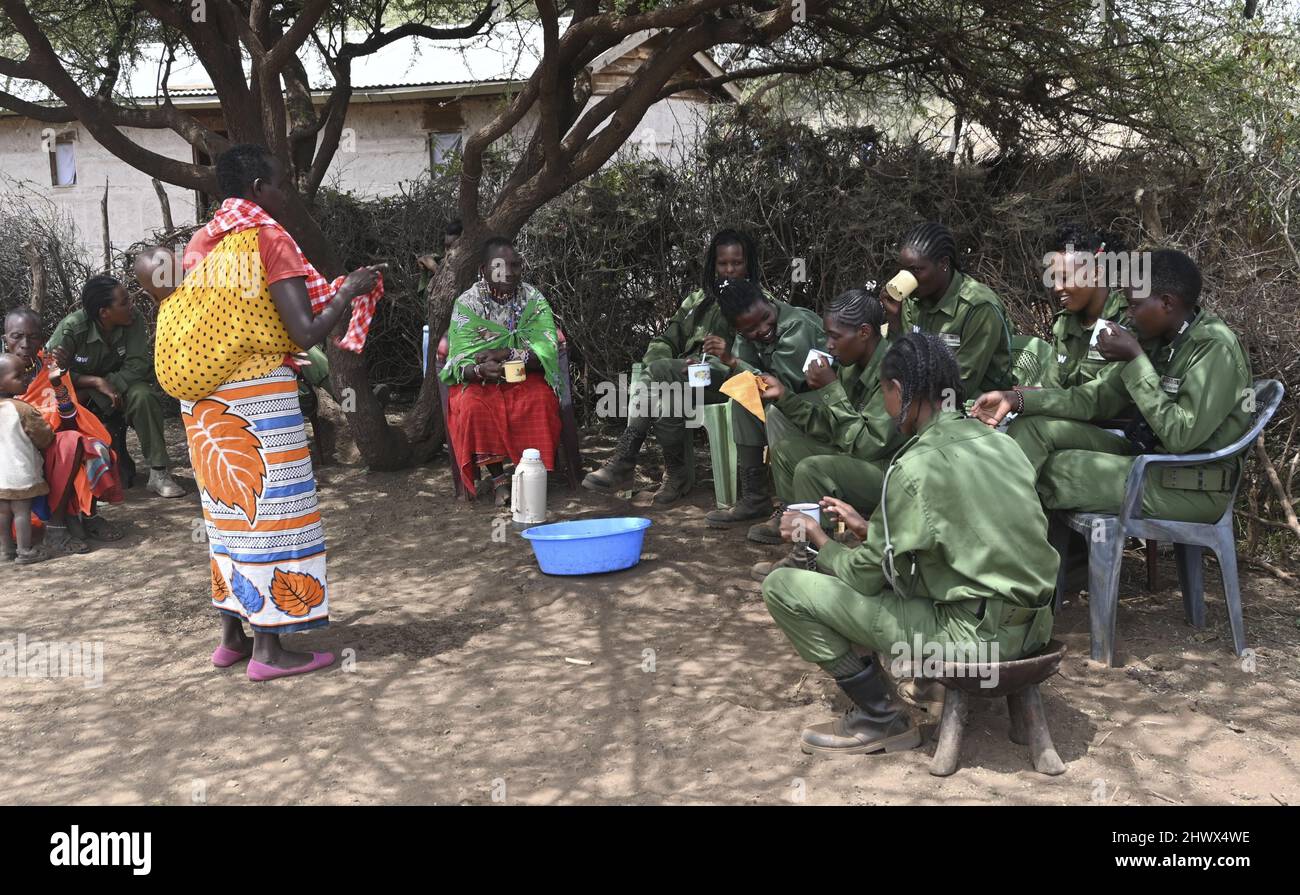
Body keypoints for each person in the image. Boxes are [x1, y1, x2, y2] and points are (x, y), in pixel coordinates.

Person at [761, 333, 1057, 757]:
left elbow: (863, 577)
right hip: (1035, 627)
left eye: (885, 394)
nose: (886, 406)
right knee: (900, 576)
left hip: (975, 638)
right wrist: (869, 529)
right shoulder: (1003, 444)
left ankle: (880, 716)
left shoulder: (913, 465)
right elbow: (967, 533)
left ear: (898, 391)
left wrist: (819, 537)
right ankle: (927, 684)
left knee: (782, 588)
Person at [156, 142, 385, 681]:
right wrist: (349, 289)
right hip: (257, 397)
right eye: (280, 183)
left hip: (205, 406)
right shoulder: (267, 238)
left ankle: (232, 638)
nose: (285, 192)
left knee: (230, 516)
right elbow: (305, 331)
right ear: (259, 190)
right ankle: (271, 651)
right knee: (273, 514)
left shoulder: (202, 243)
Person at [972, 249, 1251, 523]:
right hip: (1146, 458)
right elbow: (1094, 400)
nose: (1128, 315)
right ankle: (992, 532)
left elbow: (1181, 436)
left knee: (1056, 469)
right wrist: (1018, 399)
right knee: (1031, 428)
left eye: (1134, 305)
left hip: (1189, 485)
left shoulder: (1213, 347)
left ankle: (1003, 548)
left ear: (1166, 303)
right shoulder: (1158, 340)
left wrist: (1136, 359)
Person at [582, 228, 767, 504]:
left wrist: (720, 358)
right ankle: (677, 474)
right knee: (667, 396)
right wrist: (665, 363)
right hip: (688, 377)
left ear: (748, 263)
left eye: (737, 263)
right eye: (723, 263)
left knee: (660, 374)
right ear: (713, 265)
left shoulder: (759, 301)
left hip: (730, 379)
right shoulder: (698, 300)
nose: (729, 270)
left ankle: (625, 458)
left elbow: (755, 356)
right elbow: (666, 339)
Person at [748, 288, 905, 578]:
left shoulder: (892, 368)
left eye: (835, 336)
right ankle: (806, 547)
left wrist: (831, 388)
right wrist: (784, 397)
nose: (828, 345)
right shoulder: (850, 366)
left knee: (811, 469)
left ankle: (816, 557)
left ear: (864, 332)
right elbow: (830, 427)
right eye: (827, 336)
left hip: (891, 472)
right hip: (859, 459)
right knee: (785, 452)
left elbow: (869, 444)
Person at [439, 236, 563, 503]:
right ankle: (498, 480)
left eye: (515, 265)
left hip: (523, 375)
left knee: (540, 400)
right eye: (499, 266)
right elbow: (459, 359)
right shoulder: (468, 303)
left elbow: (546, 351)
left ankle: (528, 474)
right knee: (473, 406)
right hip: (480, 383)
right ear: (483, 270)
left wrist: (508, 352)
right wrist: (481, 371)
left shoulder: (532, 298)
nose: (508, 272)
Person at [701, 278, 825, 528]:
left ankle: (791, 507)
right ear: (739, 330)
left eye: (764, 318)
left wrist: (733, 361)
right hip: (795, 400)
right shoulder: (748, 334)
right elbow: (750, 382)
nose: (762, 329)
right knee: (743, 401)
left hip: (826, 401)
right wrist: (728, 360)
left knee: (777, 410)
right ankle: (755, 498)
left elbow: (780, 387)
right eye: (750, 329)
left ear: (769, 302)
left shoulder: (797, 325)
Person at [46, 275, 184, 498]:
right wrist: (95, 383)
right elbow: (50, 372)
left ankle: (159, 473)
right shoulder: (72, 328)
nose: (132, 305)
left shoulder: (134, 320)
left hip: (123, 391)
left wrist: (110, 386)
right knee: (66, 405)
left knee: (144, 395)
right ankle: (67, 478)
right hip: (85, 397)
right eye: (124, 302)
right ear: (104, 312)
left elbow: (138, 364)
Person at [3, 307, 123, 554]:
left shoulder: (51, 367)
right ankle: (59, 525)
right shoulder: (1, 371)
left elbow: (68, 420)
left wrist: (58, 383)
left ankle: (83, 516)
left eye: (33, 337)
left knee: (84, 444)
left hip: (50, 441)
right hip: (10, 455)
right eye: (17, 336)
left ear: (42, 338)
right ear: (5, 338)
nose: (25, 344)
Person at [880, 221, 1013, 399]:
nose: (909, 278)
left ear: (943, 264)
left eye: (917, 270)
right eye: (903, 270)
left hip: (977, 407)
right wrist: (895, 323)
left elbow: (960, 386)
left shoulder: (979, 308)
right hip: (923, 401)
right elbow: (901, 365)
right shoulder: (913, 300)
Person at [1042, 224, 1138, 390]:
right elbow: (1050, 388)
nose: (1057, 288)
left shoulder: (1128, 321)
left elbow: (1099, 397)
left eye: (1064, 278)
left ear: (1096, 274)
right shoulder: (1065, 322)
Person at [0, 352, 55, 565]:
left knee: (3, 513)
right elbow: (43, 437)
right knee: (21, 511)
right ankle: (25, 551)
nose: (26, 379)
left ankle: (6, 551)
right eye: (18, 376)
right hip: (19, 473)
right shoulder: (22, 409)